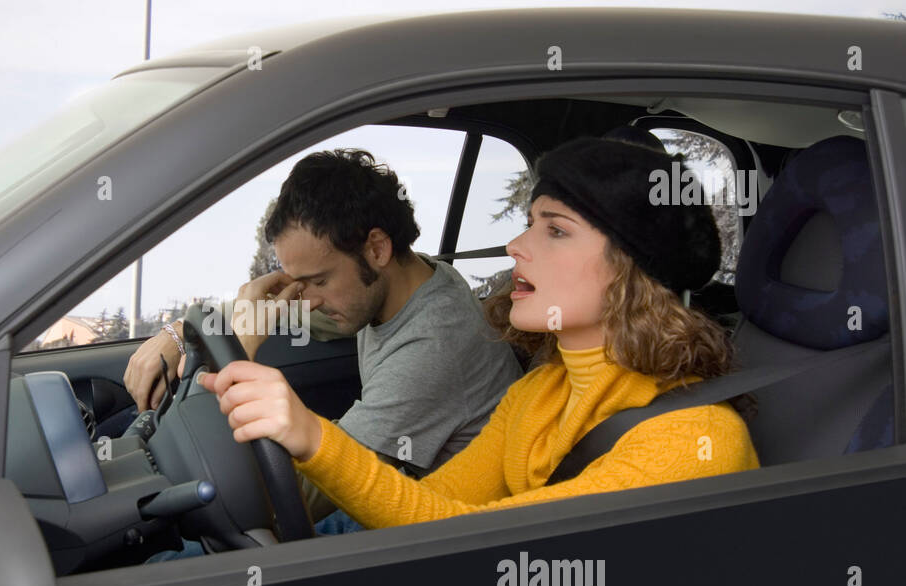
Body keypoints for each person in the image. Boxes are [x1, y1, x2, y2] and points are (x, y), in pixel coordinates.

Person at [195, 136, 761, 528]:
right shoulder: (538, 396)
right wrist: (186, 335)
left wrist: (315, 439)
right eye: (528, 223)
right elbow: (427, 509)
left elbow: (470, 539)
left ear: (632, 269)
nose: (518, 246)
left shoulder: (692, 443)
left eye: (555, 231)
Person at [126, 148, 522, 557]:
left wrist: (240, 353)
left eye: (316, 280)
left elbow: (302, 499)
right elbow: (275, 311)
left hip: (437, 539)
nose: (306, 300)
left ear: (376, 249)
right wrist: (178, 333)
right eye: (296, 283)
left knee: (174, 561)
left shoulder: (433, 347)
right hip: (399, 495)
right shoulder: (398, 282)